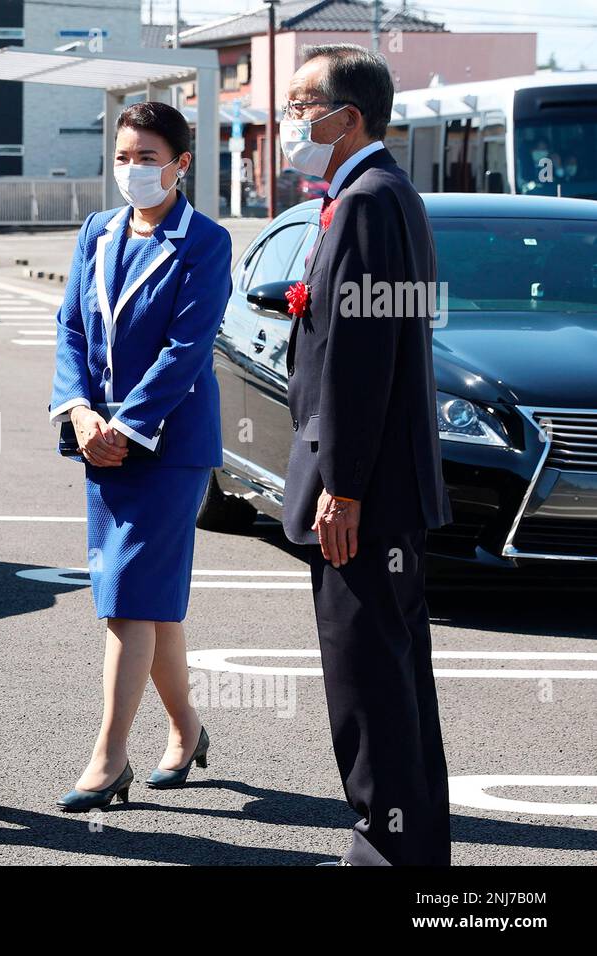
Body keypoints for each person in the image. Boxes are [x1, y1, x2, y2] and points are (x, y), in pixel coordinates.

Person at [281, 44, 452, 866]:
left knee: (369, 685)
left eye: (301, 105)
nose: (290, 123)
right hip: (386, 489)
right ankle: (412, 850)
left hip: (363, 493)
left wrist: (340, 490)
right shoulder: (388, 195)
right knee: (394, 675)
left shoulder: (362, 204)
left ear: (349, 117)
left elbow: (357, 359)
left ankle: (386, 851)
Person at [49, 101, 231, 812]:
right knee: (151, 600)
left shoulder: (205, 242)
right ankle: (186, 729)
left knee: (126, 599)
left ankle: (107, 757)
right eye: (124, 157)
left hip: (167, 446)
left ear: (182, 163)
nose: (134, 170)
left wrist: (127, 424)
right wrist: (81, 411)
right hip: (101, 442)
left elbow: (188, 349)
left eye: (148, 157)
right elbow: (69, 327)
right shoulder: (98, 231)